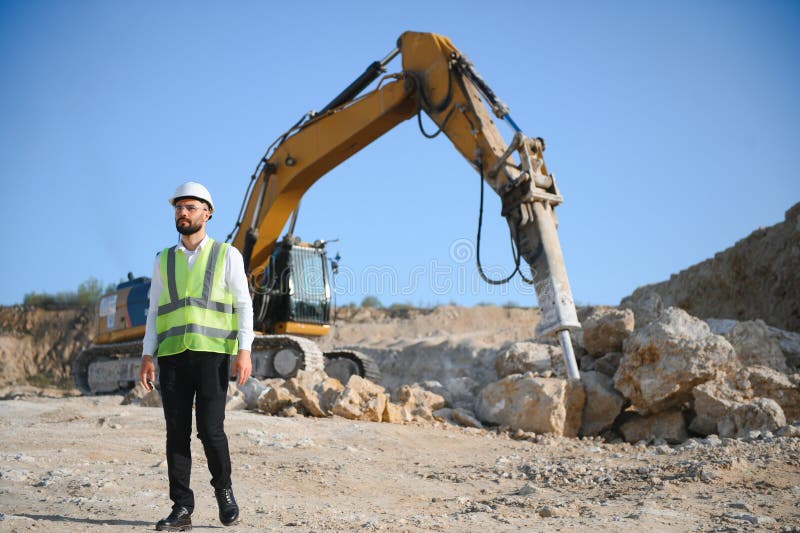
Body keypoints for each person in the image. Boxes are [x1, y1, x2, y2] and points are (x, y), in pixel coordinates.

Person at [139, 181, 253, 531]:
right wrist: (147, 355)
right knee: (176, 432)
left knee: (210, 429)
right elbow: (154, 311)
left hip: (213, 355)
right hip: (172, 356)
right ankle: (182, 508)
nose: (183, 213)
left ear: (208, 213)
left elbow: (243, 304)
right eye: (178, 208)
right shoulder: (163, 260)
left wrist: (244, 350)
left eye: (190, 207)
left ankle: (224, 491)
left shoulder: (226, 254)